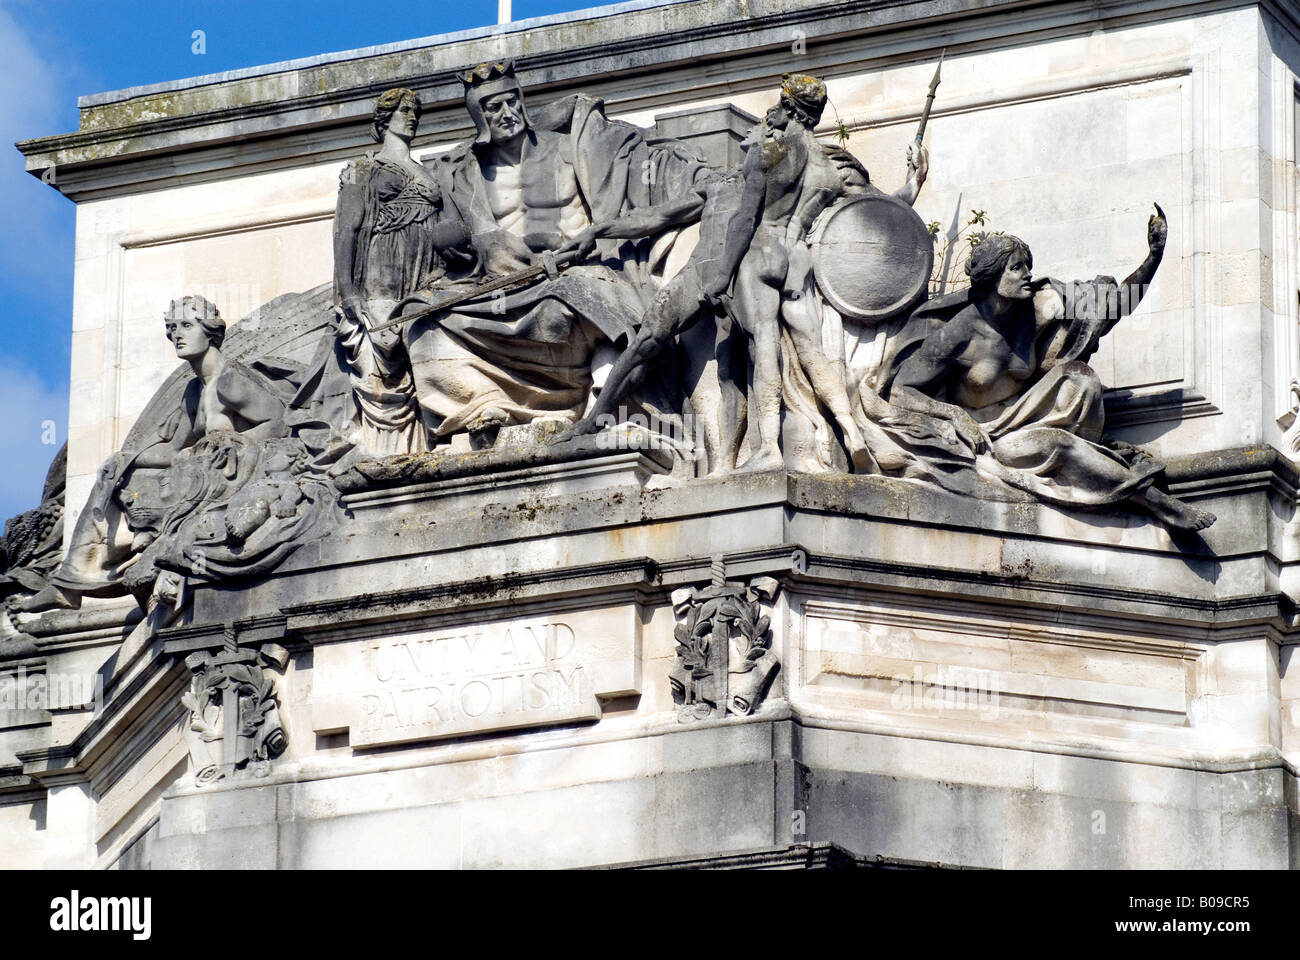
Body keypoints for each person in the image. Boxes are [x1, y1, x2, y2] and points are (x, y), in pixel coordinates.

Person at [399, 60, 712, 448]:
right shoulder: (463, 174)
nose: (507, 113)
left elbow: (645, 180)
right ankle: (487, 407)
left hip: (584, 271)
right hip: (505, 287)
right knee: (425, 325)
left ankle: (610, 400)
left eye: (512, 101)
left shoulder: (570, 149)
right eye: (493, 107)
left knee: (576, 297)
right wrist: (464, 247)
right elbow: (455, 250)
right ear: (479, 116)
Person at [879, 209, 1216, 531]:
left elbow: (1115, 305)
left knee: (1080, 377)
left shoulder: (1037, 309)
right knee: (1060, 444)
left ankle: (1095, 457)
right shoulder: (957, 333)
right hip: (988, 435)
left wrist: (1153, 259)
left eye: (1027, 265)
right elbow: (901, 391)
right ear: (993, 276)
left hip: (1025, 411)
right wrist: (955, 415)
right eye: (1015, 268)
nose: (1027, 274)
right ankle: (1156, 502)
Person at [17, 297, 303, 613]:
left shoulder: (229, 380)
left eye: (186, 326)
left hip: (235, 473)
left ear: (209, 332)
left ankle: (123, 562)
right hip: (206, 472)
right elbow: (172, 449)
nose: (176, 335)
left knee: (147, 493)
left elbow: (279, 421)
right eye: (171, 328)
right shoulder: (195, 391)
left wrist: (231, 444)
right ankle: (70, 582)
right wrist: (125, 461)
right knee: (114, 477)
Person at [332, 87, 469, 455]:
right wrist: (348, 289)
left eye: (414, 110)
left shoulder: (431, 172)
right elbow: (348, 229)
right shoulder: (364, 168)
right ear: (384, 118)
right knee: (386, 347)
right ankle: (390, 447)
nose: (411, 116)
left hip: (428, 267)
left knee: (426, 341)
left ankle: (433, 434)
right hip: (384, 264)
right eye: (403, 110)